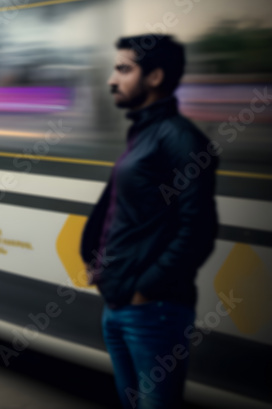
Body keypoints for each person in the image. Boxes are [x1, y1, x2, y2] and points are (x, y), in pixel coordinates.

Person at [81, 35, 218, 409]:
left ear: (155, 76)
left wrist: (146, 288)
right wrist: (99, 264)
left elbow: (198, 230)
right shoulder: (145, 132)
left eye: (123, 69)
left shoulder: (180, 139)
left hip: (153, 309)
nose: (111, 80)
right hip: (122, 303)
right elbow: (124, 214)